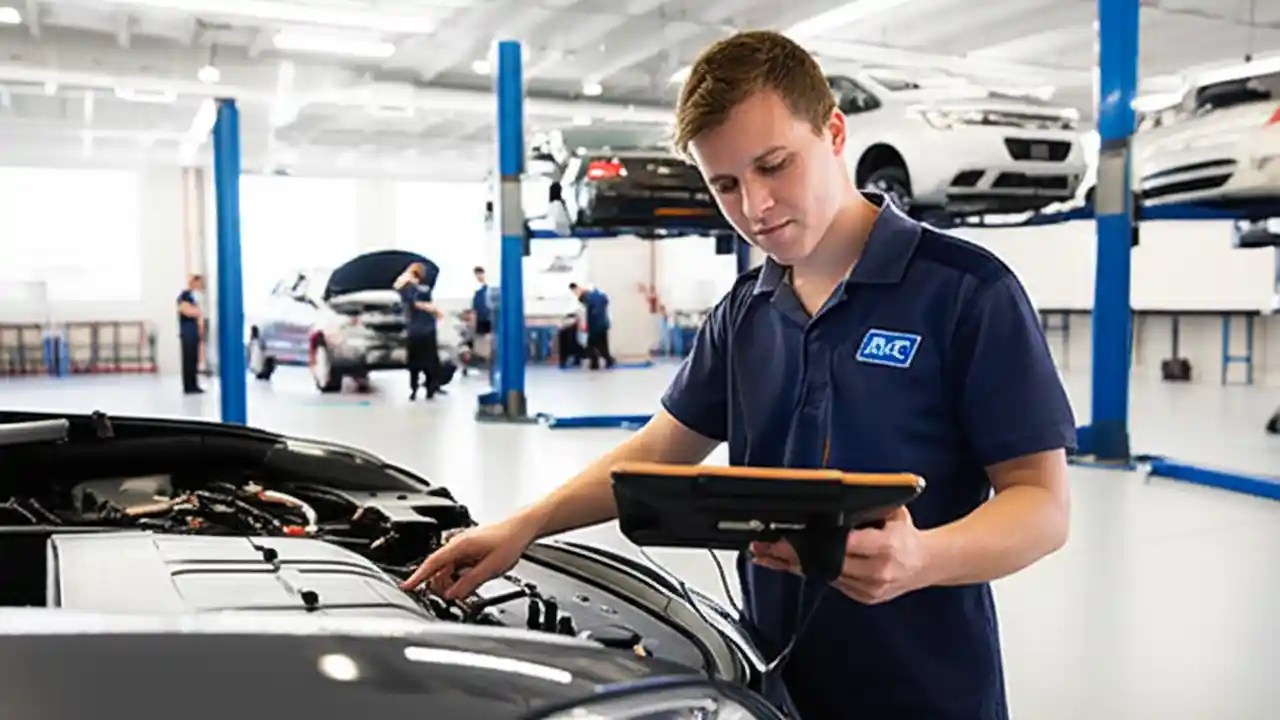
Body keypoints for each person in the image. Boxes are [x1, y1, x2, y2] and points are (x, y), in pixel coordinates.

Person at [402, 30, 1074, 720]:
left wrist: (922, 558)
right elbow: (661, 451)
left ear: (834, 132)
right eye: (725, 183)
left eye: (774, 165)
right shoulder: (744, 312)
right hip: (767, 684)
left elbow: (1043, 506)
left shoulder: (966, 291)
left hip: (928, 692)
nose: (754, 206)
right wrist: (525, 526)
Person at [394, 262, 444, 401]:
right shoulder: (424, 289)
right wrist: (435, 311)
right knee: (430, 361)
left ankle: (414, 389)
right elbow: (419, 303)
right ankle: (430, 388)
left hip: (414, 330)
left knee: (414, 363)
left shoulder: (405, 288)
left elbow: (398, 288)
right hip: (427, 329)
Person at [569, 282, 616, 369]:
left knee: (593, 345)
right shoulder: (599, 296)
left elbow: (592, 311)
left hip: (596, 325)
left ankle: (597, 362)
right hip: (601, 324)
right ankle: (605, 361)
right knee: (601, 345)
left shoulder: (593, 297)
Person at [176, 274, 205, 395]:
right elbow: (186, 310)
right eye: (198, 283)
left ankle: (194, 384)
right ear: (193, 283)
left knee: (194, 359)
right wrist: (197, 312)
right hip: (187, 332)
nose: (200, 286)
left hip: (194, 332)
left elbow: (198, 313)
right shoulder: (184, 296)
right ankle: (188, 386)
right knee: (188, 359)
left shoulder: (195, 298)